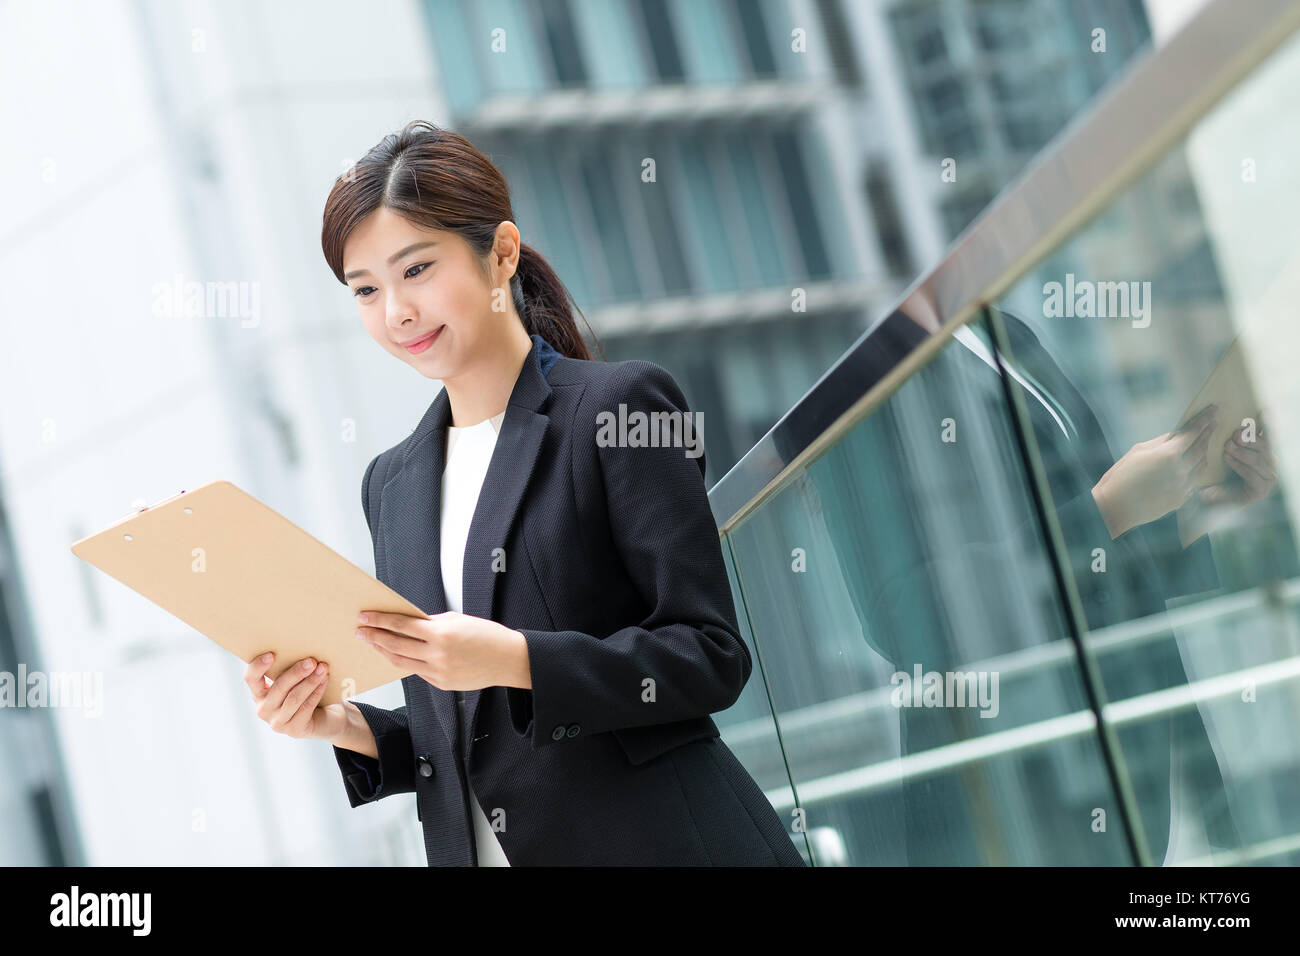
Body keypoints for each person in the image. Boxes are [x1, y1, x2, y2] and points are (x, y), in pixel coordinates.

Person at [241, 120, 806, 867]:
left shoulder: (620, 408)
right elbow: (469, 741)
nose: (396, 313)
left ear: (501, 252)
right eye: (366, 290)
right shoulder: (393, 483)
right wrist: (345, 724)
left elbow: (709, 656)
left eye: (417, 270)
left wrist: (518, 660)